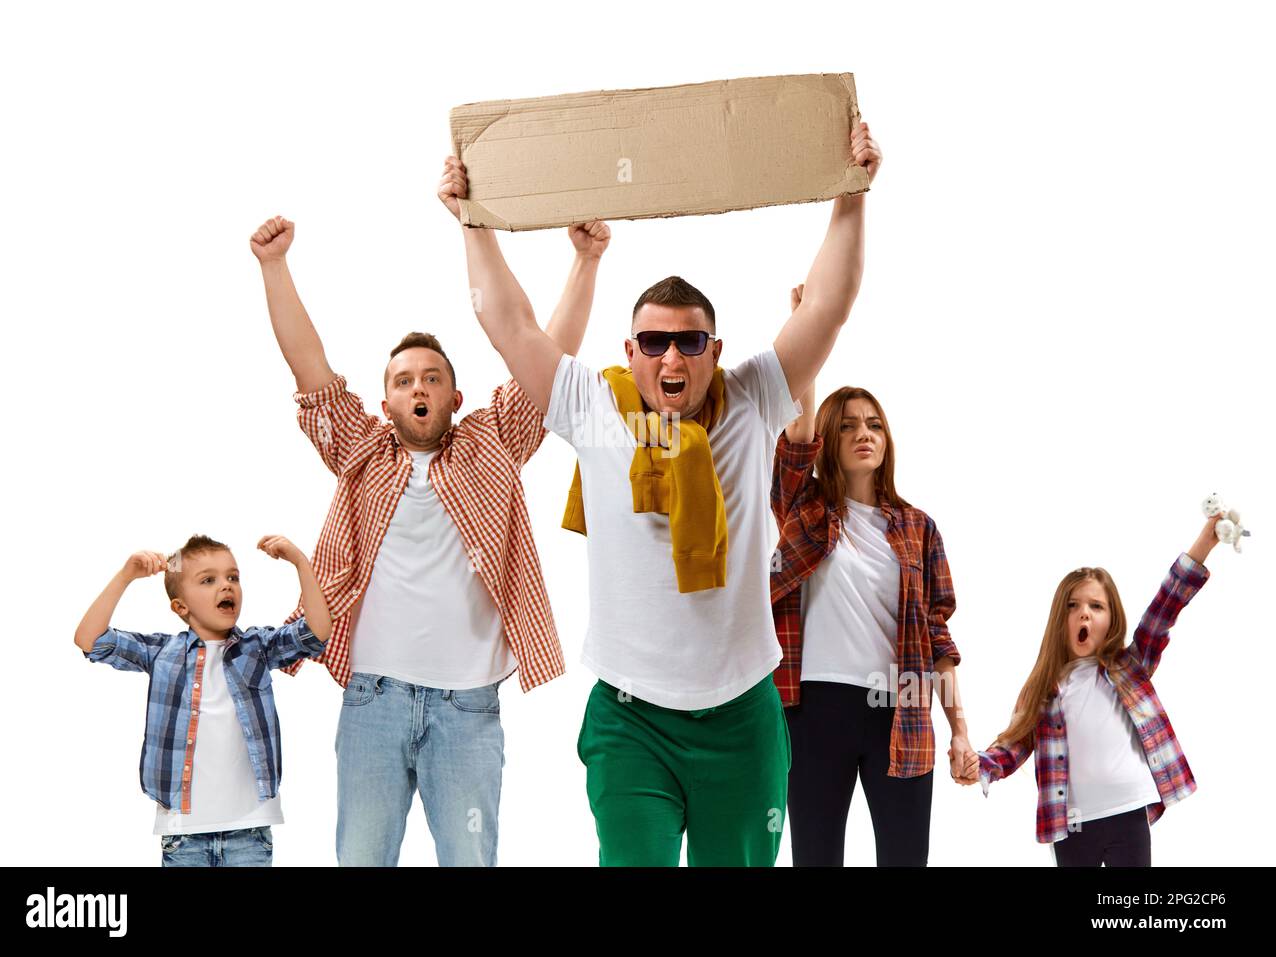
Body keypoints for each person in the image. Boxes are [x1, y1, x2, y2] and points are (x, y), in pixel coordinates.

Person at [438, 120, 881, 865]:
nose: (670, 356)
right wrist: (471, 219)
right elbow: (505, 319)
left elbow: (827, 307)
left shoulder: (752, 401)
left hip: (742, 721)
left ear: (715, 351)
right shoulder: (591, 405)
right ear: (630, 352)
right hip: (631, 722)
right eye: (653, 342)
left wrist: (852, 193)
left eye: (688, 341)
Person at [249, 213, 609, 866]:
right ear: (385, 402)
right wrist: (275, 267)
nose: (418, 386)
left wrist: (585, 261)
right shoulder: (361, 451)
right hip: (372, 701)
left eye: (431, 377)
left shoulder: (491, 442)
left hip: (466, 709)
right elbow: (310, 368)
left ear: (455, 394)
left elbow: (548, 363)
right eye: (403, 380)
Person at [770, 283, 976, 866]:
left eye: (875, 425)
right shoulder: (803, 509)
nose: (864, 434)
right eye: (849, 426)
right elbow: (796, 436)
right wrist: (808, 328)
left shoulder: (918, 528)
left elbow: (938, 637)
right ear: (830, 439)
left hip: (901, 709)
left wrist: (959, 727)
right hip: (814, 707)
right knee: (816, 858)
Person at [976, 515, 1223, 866]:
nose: (1084, 615)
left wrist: (1205, 543)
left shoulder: (1130, 668)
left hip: (1129, 814)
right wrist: (981, 766)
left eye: (1096, 606)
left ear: (1112, 620)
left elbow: (1164, 609)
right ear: (1059, 621)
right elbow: (1013, 744)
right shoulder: (1043, 689)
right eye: (1073, 606)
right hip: (1073, 825)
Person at [75, 533, 331, 866]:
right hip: (183, 835)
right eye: (208, 580)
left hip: (250, 832)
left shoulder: (258, 647)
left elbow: (317, 632)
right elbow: (89, 640)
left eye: (233, 577)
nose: (226, 586)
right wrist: (126, 575)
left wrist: (300, 562)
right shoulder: (161, 652)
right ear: (181, 606)